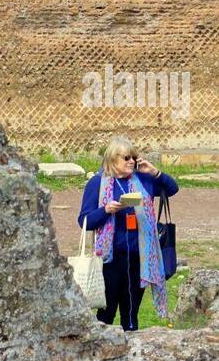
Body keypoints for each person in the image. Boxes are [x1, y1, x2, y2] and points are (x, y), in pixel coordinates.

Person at [77, 136, 179, 331]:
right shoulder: (97, 183)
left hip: (139, 256)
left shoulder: (142, 179)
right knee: (106, 312)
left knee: (131, 312)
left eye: (133, 157)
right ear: (112, 159)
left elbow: (172, 189)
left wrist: (155, 172)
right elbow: (84, 221)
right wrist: (106, 210)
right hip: (110, 258)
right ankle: (101, 350)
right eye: (126, 158)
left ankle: (132, 350)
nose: (131, 161)